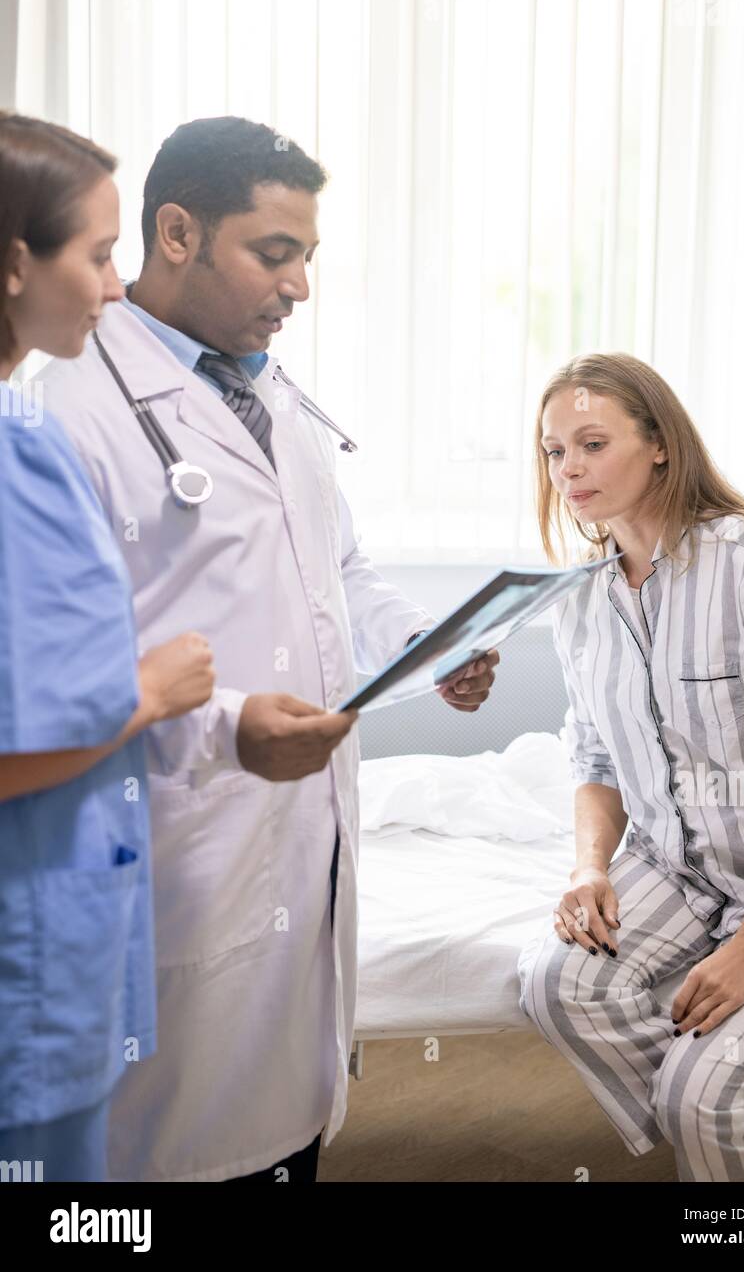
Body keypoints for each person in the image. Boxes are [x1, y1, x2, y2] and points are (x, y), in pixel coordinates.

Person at [37, 114, 500, 1183]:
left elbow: (338, 571)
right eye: (274, 253)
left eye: (307, 258)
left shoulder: (268, 392)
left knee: (285, 1139)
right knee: (168, 1155)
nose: (297, 287)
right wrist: (227, 722)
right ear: (178, 233)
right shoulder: (70, 411)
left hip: (299, 826)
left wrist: (423, 647)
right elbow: (63, 672)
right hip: (176, 835)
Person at [518, 352, 744, 1183]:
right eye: (554, 451)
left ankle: (724, 1121)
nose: (570, 469)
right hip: (672, 866)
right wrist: (589, 865)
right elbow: (594, 752)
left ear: (660, 444)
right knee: (556, 982)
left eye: (593, 443)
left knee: (702, 1091)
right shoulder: (579, 596)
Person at [0, 111, 216, 1180]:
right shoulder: (14, 452)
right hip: (24, 979)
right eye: (95, 254)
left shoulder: (23, 433)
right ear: (13, 264)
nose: (115, 285)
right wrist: (150, 691)